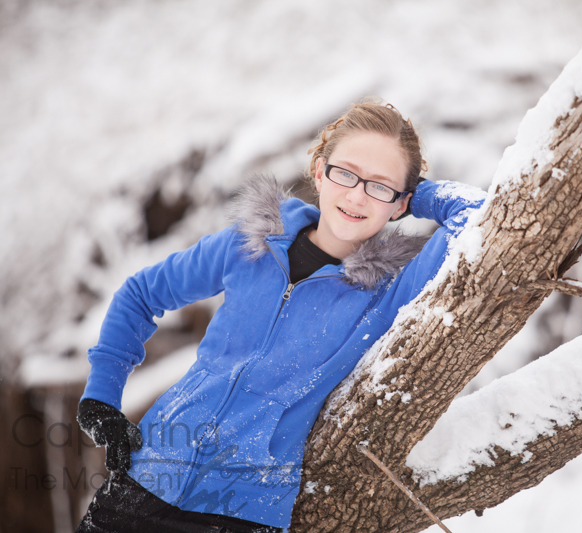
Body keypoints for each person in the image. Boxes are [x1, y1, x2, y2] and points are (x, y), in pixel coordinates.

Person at [76, 101, 485, 532]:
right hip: (142, 483)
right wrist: (102, 394)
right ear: (318, 170)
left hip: (240, 513)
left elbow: (478, 212)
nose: (356, 194)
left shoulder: (387, 295)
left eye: (379, 186)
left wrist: (417, 194)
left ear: (401, 203)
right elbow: (140, 293)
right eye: (345, 173)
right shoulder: (251, 243)